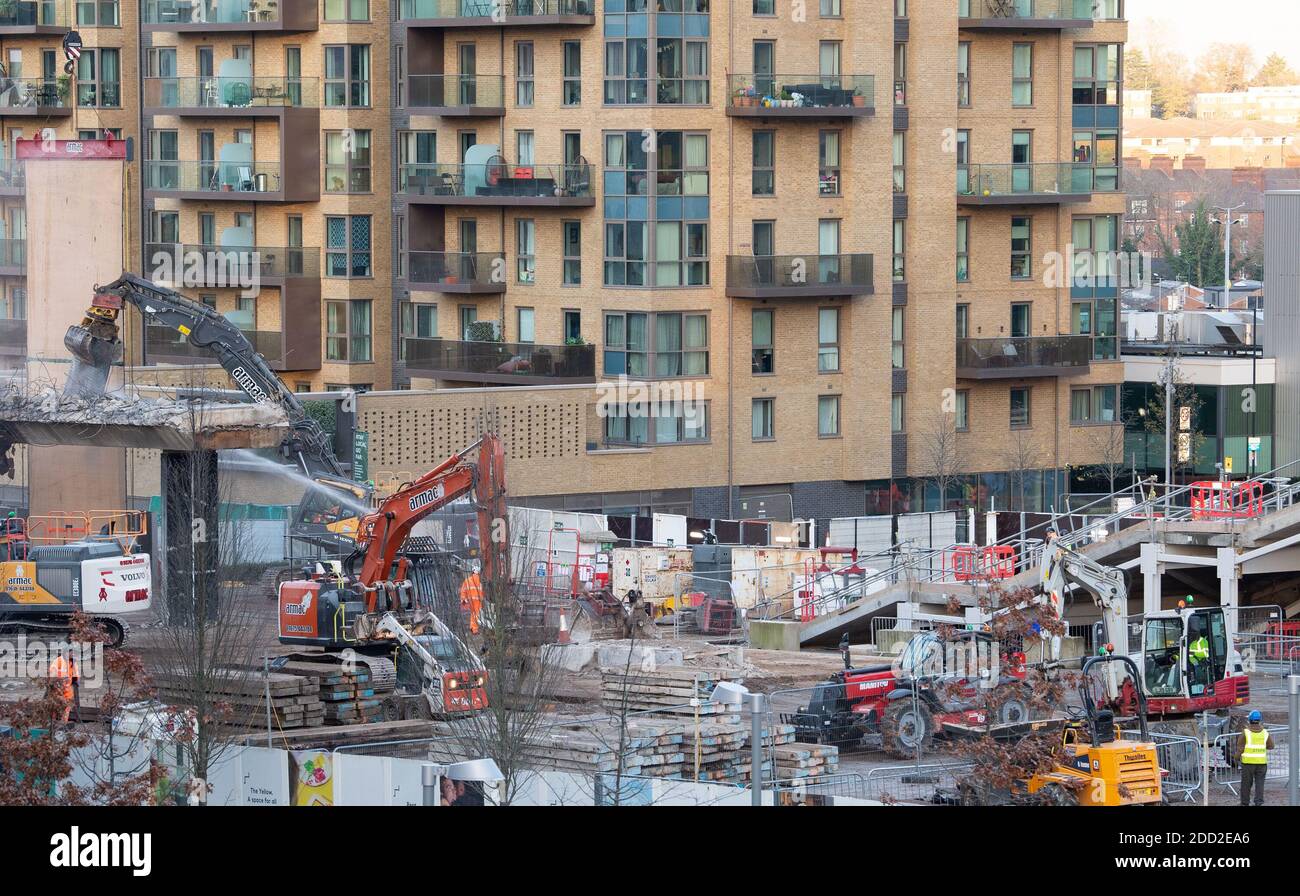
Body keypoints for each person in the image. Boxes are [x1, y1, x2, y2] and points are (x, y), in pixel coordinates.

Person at [1233, 711, 1273, 806]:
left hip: (1248, 764)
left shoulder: (1245, 732)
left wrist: (1236, 758)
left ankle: (1244, 803)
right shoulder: (1265, 733)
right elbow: (1271, 746)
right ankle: (1259, 802)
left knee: (1246, 785)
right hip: (1262, 763)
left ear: (1249, 720)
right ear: (1259, 720)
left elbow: (1240, 748)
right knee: (1260, 784)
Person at [48, 648, 80, 723]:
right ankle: (52, 722)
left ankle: (64, 722)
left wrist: (76, 680)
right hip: (58, 687)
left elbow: (76, 673)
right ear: (66, 653)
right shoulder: (58, 661)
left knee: (67, 706)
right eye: (71, 653)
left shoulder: (73, 662)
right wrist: (55, 683)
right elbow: (52, 672)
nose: (72, 655)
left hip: (68, 689)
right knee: (55, 704)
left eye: (73, 653)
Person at [459, 567, 482, 635]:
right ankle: (474, 629)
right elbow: (482, 591)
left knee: (473, 614)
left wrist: (463, 600)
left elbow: (463, 590)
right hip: (478, 601)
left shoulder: (467, 580)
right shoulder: (480, 580)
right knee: (476, 615)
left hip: (470, 600)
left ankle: (472, 627)